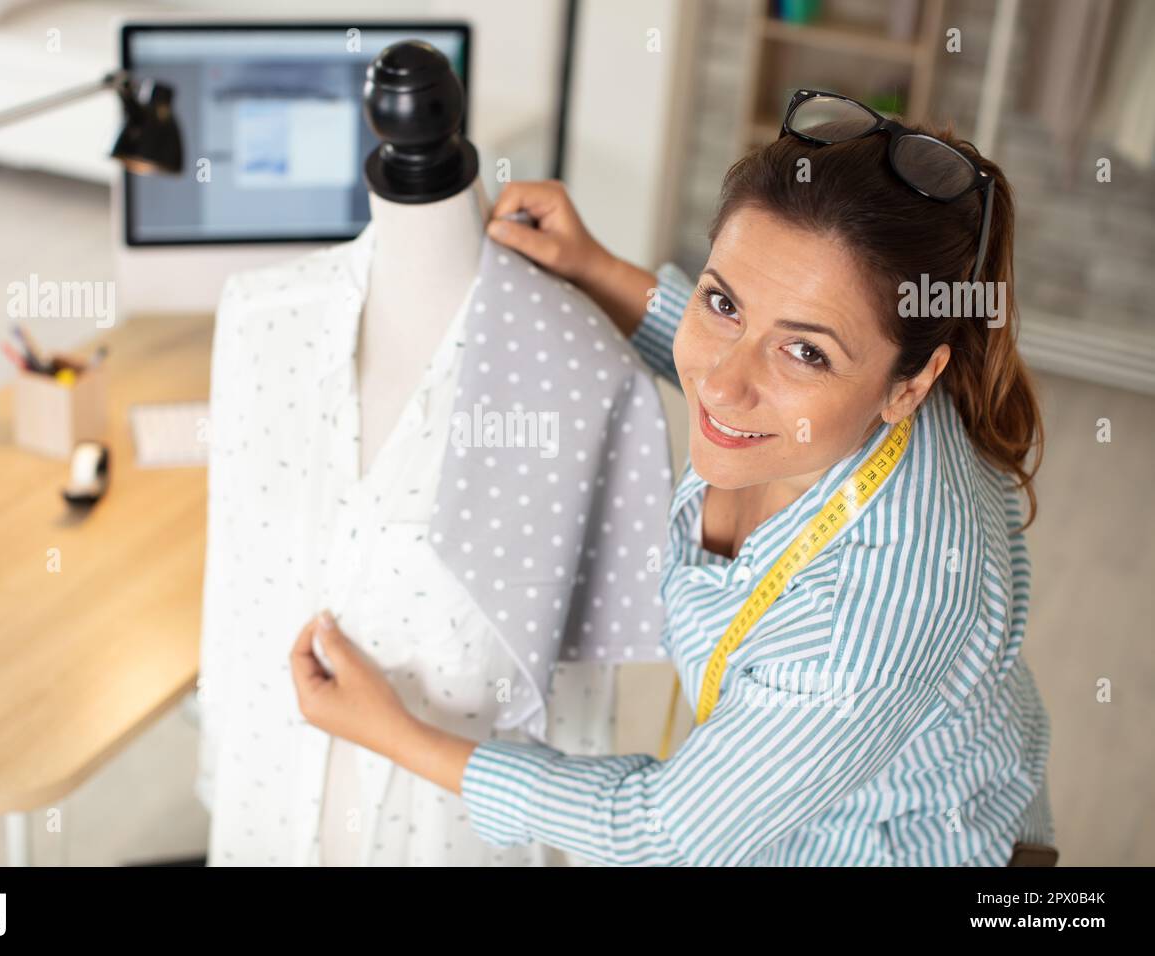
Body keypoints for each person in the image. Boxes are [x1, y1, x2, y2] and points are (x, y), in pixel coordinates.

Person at [288, 91, 1054, 865]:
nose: (721, 385)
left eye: (807, 353)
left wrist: (392, 733)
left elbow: (661, 832)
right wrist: (596, 269)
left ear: (911, 387)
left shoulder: (877, 612)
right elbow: (749, 336)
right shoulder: (851, 387)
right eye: (725, 302)